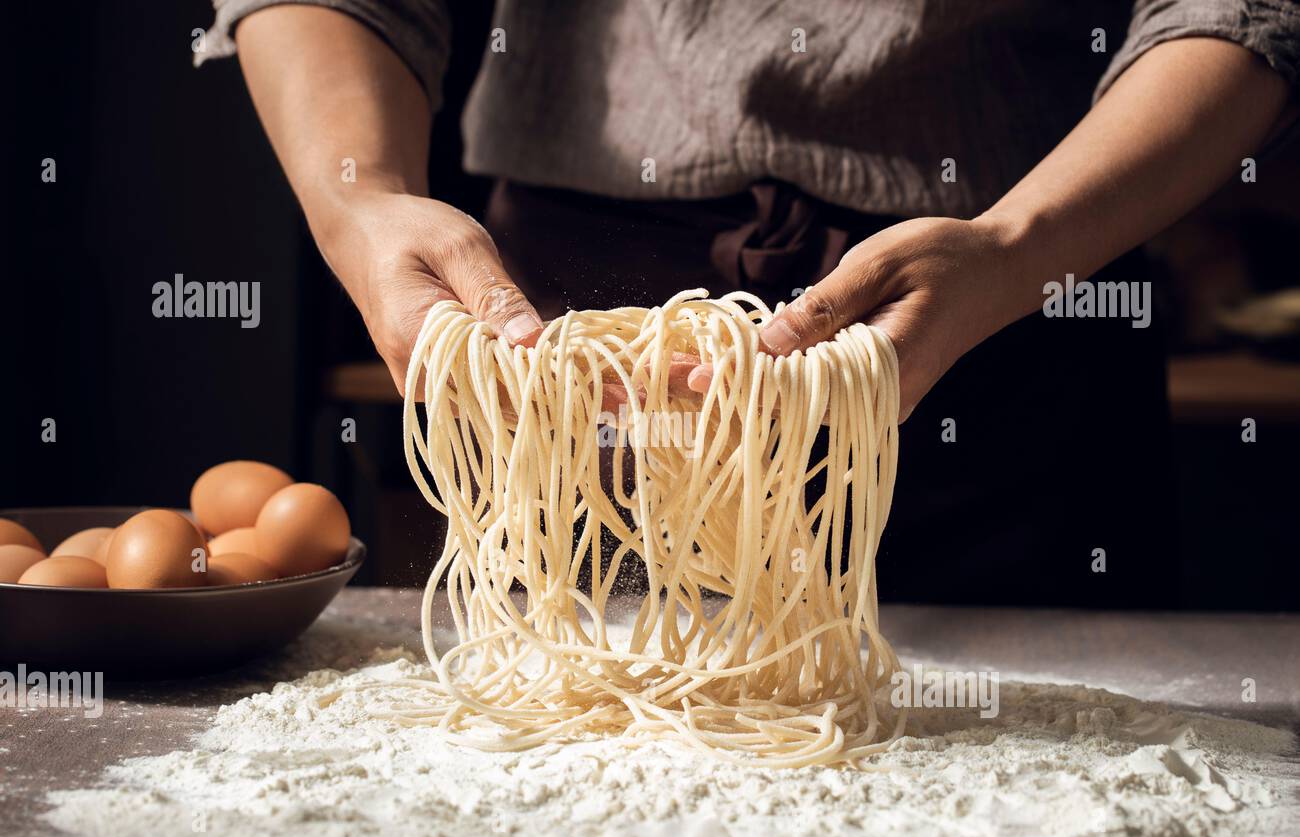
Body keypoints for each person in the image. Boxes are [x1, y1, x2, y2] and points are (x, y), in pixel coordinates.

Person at [200, 0, 1297, 608]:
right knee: (571, 778)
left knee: (1043, 784)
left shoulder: (1016, 261)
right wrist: (364, 204)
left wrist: (1018, 247)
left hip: (1008, 292)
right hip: (568, 334)